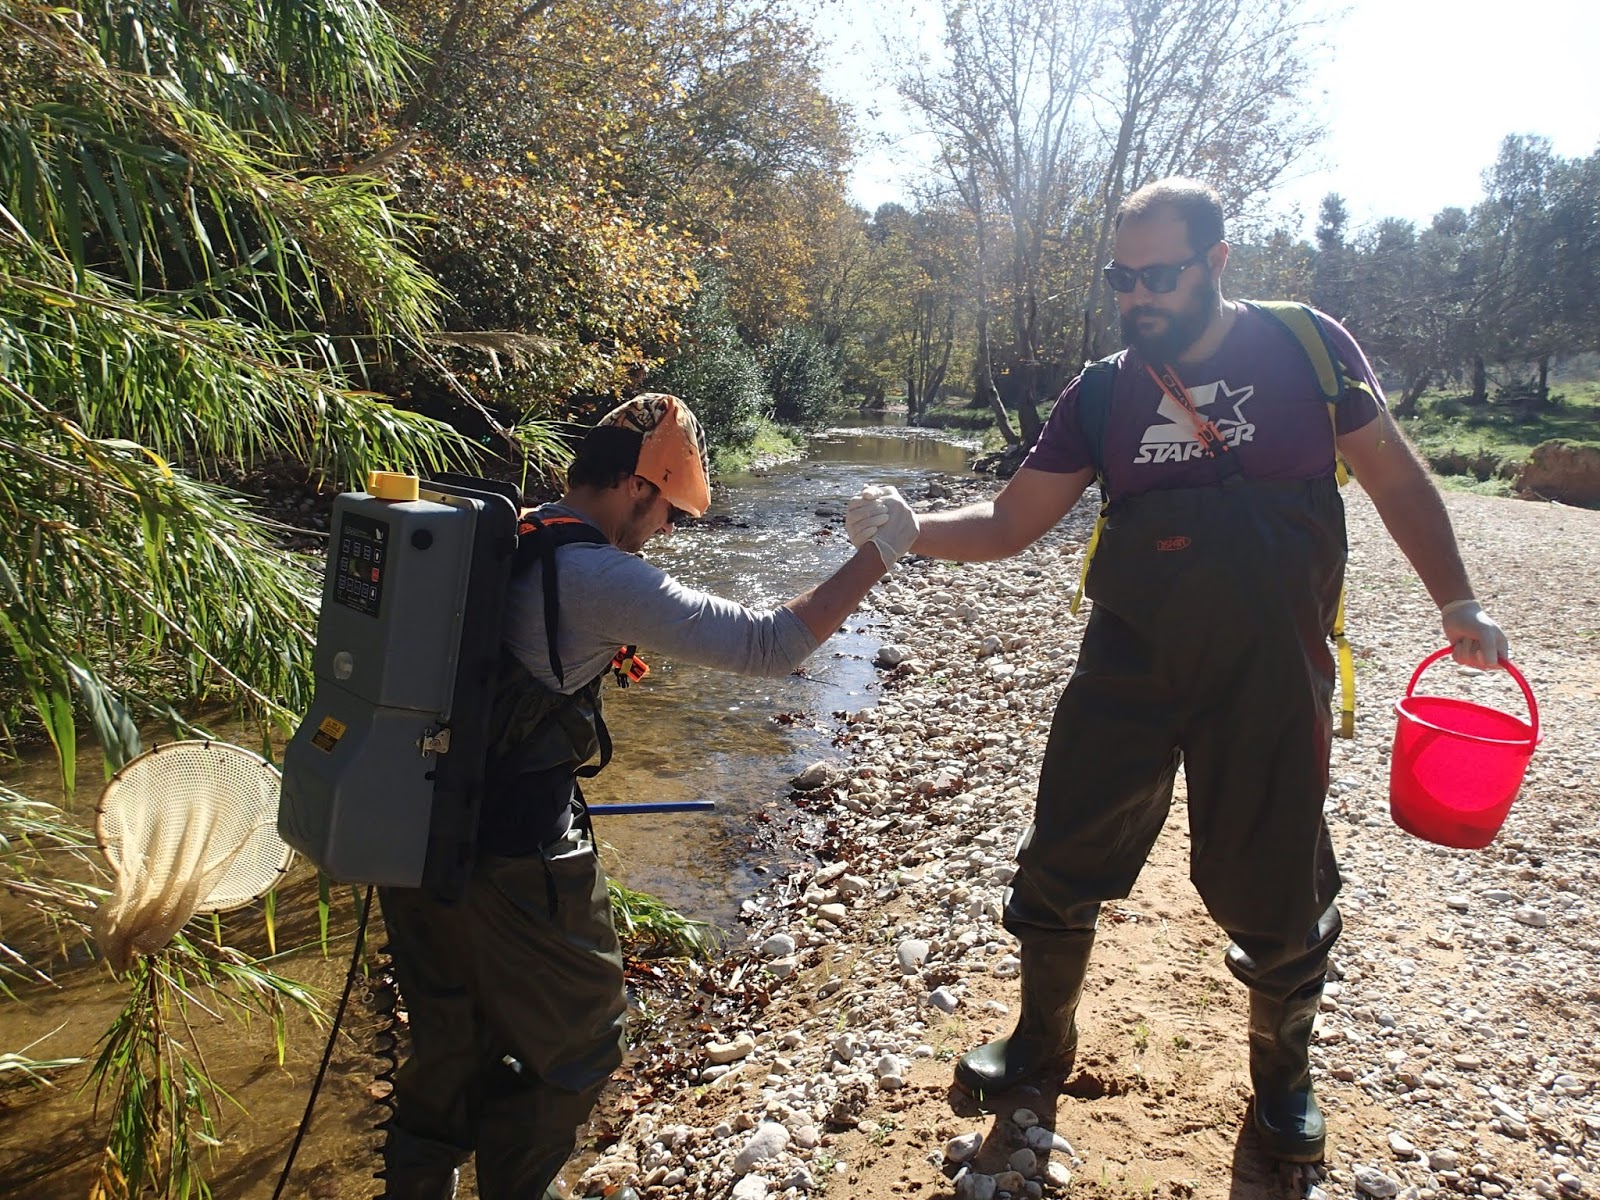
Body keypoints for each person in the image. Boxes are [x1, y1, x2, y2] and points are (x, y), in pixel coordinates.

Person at [846, 178, 1510, 1164]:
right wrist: (910, 533)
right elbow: (1007, 521)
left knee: (1275, 878)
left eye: (1157, 276)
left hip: (1271, 667)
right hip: (1129, 658)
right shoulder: (1104, 389)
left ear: (1215, 261)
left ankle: (1282, 1079)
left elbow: (1396, 478)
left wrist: (1454, 599)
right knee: (1062, 850)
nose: (1136, 298)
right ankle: (1040, 1040)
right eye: (1122, 279)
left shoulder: (1305, 350)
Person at [378, 393, 920, 1200]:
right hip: (518, 857)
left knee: (447, 1045)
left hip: (410, 836)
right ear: (637, 486)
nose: (670, 529)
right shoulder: (595, 574)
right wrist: (881, 553)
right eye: (670, 509)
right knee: (584, 1046)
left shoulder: (509, 535)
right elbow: (770, 644)